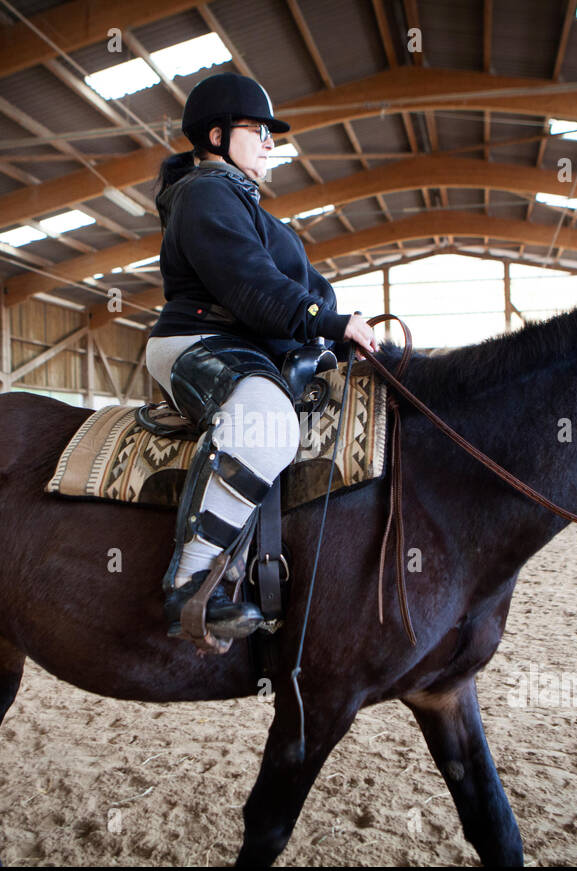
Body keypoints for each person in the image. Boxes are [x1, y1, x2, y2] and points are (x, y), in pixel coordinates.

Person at [145, 72, 377, 643]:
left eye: (272, 133)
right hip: (201, 343)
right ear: (218, 136)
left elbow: (300, 288)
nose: (271, 141)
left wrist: (338, 333)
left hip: (256, 347)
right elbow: (249, 286)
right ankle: (189, 583)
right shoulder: (205, 194)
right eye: (259, 130)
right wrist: (325, 322)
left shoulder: (256, 211)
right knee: (265, 425)